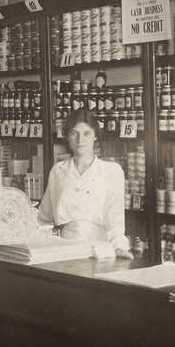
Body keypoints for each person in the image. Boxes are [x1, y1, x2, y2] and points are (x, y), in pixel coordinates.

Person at [37, 108, 133, 258]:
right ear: (67, 136)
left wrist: (119, 248)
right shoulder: (58, 170)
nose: (80, 140)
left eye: (86, 133)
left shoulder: (111, 171)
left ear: (95, 136)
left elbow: (115, 218)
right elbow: (44, 217)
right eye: (74, 133)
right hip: (64, 249)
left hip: (100, 249)